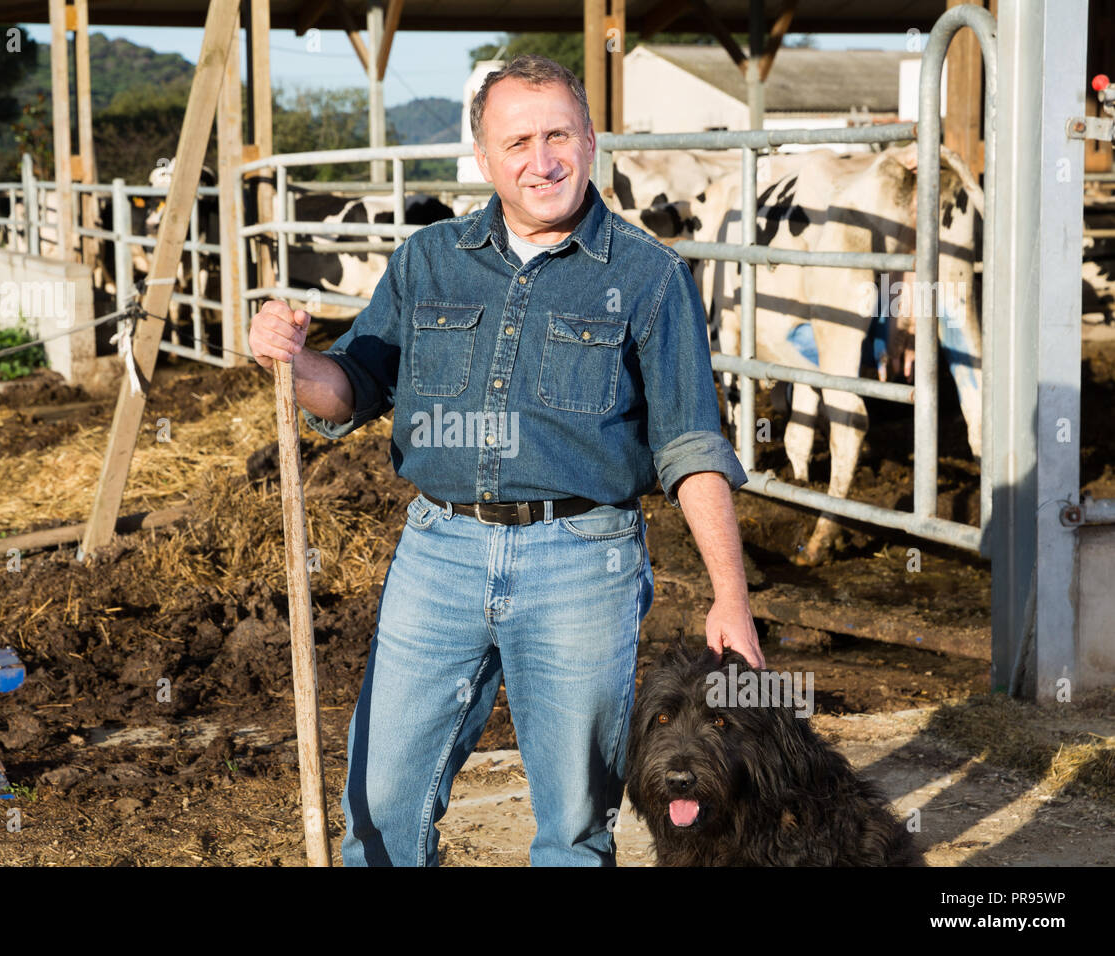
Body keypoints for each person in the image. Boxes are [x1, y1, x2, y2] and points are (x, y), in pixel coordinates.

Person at [248, 55, 764, 867]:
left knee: (571, 824)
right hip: (439, 551)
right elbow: (354, 385)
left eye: (559, 134)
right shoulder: (429, 261)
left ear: (590, 142)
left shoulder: (649, 276)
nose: (542, 159)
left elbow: (691, 445)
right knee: (379, 802)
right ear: (484, 159)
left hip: (582, 561)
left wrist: (730, 596)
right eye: (517, 141)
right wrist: (297, 361)